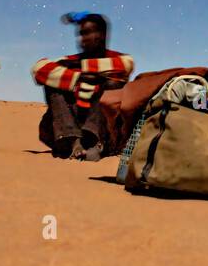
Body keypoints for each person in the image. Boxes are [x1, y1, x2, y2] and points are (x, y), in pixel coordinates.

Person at [32, 12, 134, 161]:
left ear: (101, 35)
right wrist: (77, 77)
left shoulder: (117, 59)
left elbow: (125, 65)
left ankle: (93, 140)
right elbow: (39, 68)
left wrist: (81, 67)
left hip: (106, 135)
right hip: (65, 132)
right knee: (53, 85)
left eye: (87, 33)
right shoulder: (69, 60)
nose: (82, 39)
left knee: (113, 84)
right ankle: (74, 141)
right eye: (80, 34)